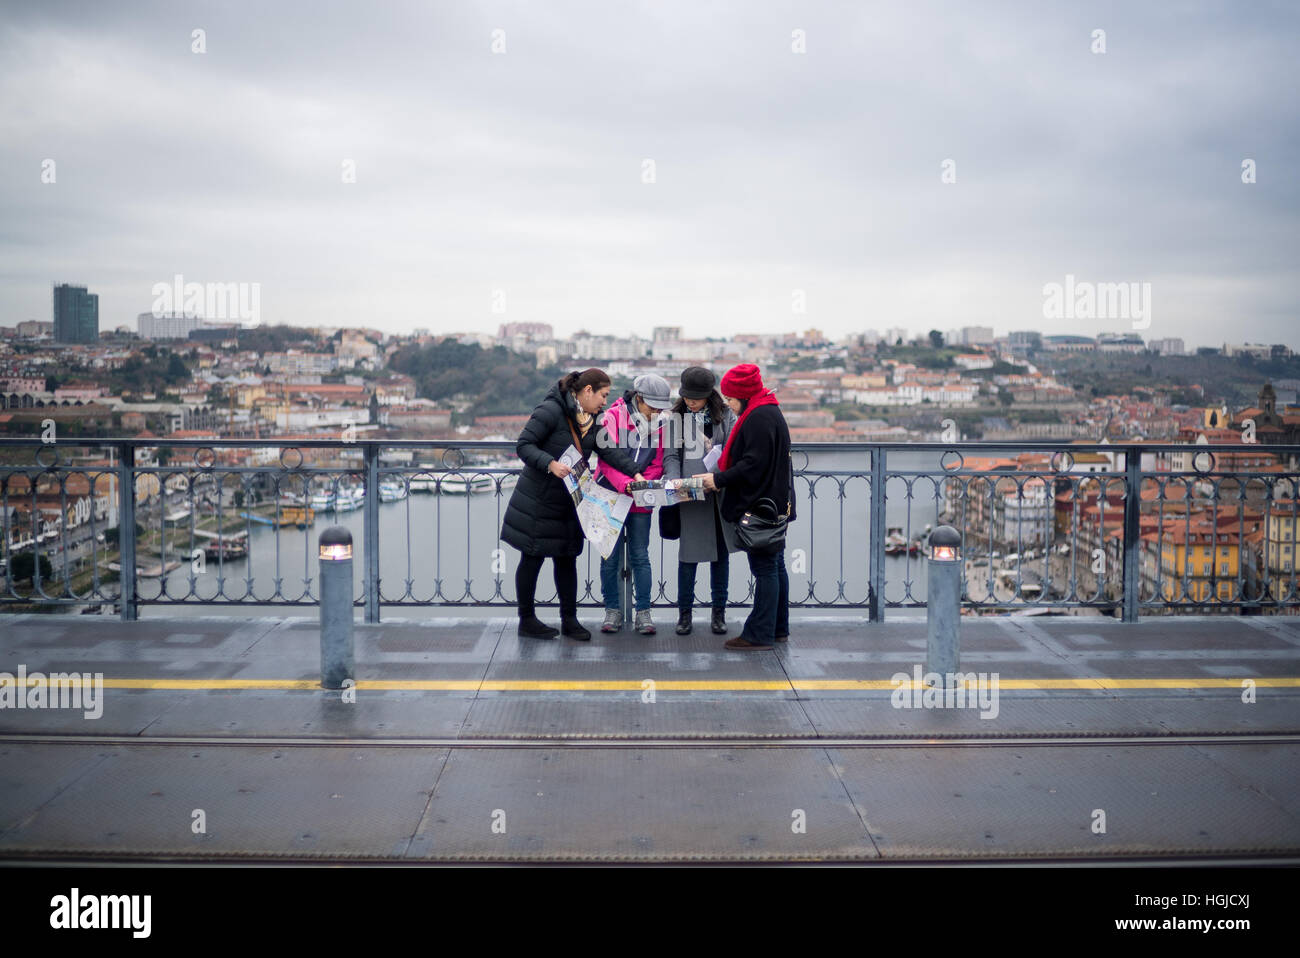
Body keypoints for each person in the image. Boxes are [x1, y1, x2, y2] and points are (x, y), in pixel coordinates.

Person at [501, 369, 645, 640]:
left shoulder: (593, 419)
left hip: (571, 500)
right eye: (603, 395)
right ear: (587, 391)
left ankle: (570, 621)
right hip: (539, 499)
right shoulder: (550, 410)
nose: (605, 402)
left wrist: (635, 472)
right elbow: (524, 445)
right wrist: (550, 464)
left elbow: (609, 451)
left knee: (567, 559)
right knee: (532, 558)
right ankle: (527, 620)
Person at [695, 363, 795, 650]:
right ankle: (778, 628)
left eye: (731, 399)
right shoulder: (768, 410)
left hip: (761, 507)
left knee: (765, 568)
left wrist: (718, 479)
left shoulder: (758, 418)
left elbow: (752, 464)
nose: (729, 404)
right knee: (775, 566)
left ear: (743, 395)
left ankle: (759, 633)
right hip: (775, 503)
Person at [594, 374, 673, 634]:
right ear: (638, 399)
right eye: (653, 407)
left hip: (641, 498)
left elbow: (658, 463)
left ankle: (643, 612)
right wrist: (626, 484)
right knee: (610, 557)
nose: (657, 412)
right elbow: (606, 460)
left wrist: (642, 485)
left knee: (641, 556)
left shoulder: (661, 424)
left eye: (660, 408)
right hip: (611, 494)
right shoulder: (613, 418)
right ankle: (612, 610)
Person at [662, 366, 738, 635]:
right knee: (688, 557)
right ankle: (685, 615)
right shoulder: (675, 417)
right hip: (688, 495)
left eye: (697, 397)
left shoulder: (726, 415)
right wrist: (674, 481)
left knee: (721, 556)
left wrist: (715, 477)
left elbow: (731, 452)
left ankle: (719, 614)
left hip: (717, 493)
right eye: (688, 397)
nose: (692, 402)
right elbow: (670, 456)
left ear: (709, 395)